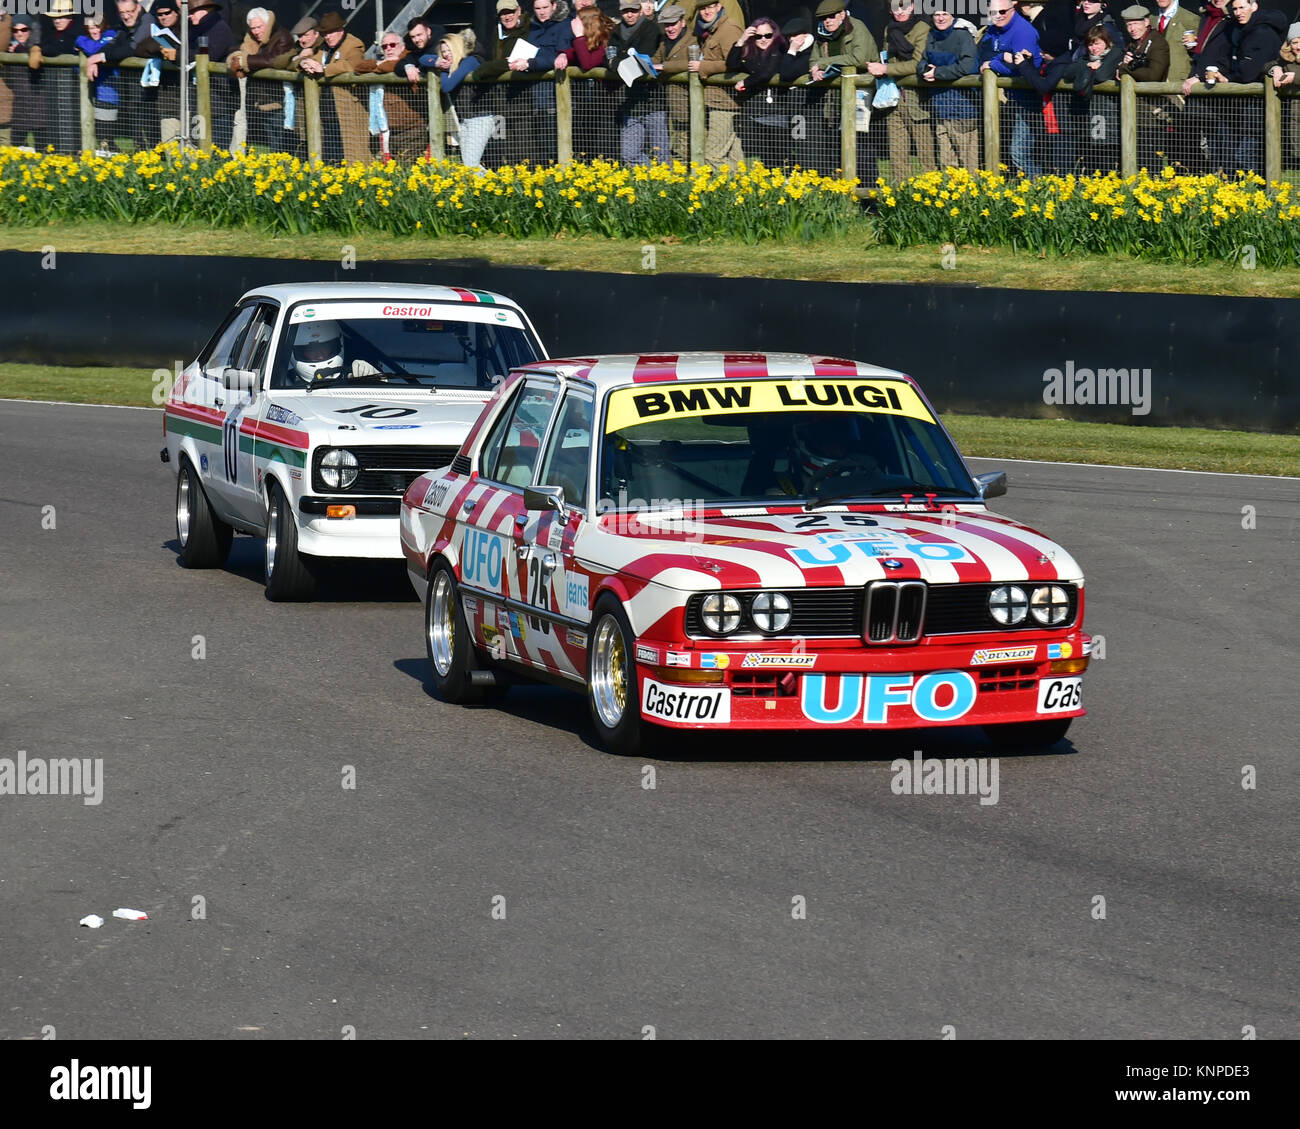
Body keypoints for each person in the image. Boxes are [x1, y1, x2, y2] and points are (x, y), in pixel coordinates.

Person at [867, 0, 933, 181]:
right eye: (896, 7)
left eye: (904, 6)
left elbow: (917, 63)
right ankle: (899, 199)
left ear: (912, 6)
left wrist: (886, 69)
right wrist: (881, 67)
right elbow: (888, 57)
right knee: (897, 155)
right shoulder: (890, 29)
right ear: (890, 9)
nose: (900, 11)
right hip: (893, 97)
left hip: (917, 100)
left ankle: (933, 197)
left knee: (926, 154)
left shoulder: (922, 27)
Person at [978, 0, 1042, 177]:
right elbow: (984, 53)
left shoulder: (1023, 32)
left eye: (1002, 11)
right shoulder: (992, 29)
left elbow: (1024, 68)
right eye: (993, 12)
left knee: (1019, 153)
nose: (997, 16)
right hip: (1009, 99)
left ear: (1013, 10)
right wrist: (1000, 58)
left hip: (1029, 100)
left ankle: (1041, 188)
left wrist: (993, 64)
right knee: (1004, 149)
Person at [299, 11, 369, 163]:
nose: (328, 36)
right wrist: (305, 63)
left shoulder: (353, 44)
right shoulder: (324, 47)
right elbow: (311, 60)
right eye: (325, 33)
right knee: (329, 154)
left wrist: (324, 69)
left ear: (341, 30)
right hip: (325, 110)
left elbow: (353, 65)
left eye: (331, 32)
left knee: (352, 154)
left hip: (347, 110)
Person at [1224, 0, 1286, 168]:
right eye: (1235, 9)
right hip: (1252, 103)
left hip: (1261, 101)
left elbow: (1249, 71)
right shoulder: (1242, 29)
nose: (1238, 12)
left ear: (1254, 6)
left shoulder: (1261, 32)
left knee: (1247, 153)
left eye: (1242, 7)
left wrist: (1228, 78)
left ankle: (1259, 189)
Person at [918, 2, 978, 174]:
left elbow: (967, 66)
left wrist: (938, 73)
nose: (940, 18)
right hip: (940, 109)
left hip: (963, 111)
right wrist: (924, 70)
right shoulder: (932, 35)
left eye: (945, 14)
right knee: (947, 163)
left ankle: (972, 199)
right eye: (937, 14)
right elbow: (923, 61)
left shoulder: (963, 36)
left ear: (953, 16)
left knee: (968, 164)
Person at [475, 0, 536, 165]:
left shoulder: (529, 29)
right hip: (499, 102)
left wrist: (502, 65)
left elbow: (521, 60)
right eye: (503, 13)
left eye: (510, 12)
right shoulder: (496, 32)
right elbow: (485, 68)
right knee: (502, 145)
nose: (507, 16)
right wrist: (504, 64)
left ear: (518, 11)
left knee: (524, 148)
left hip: (523, 99)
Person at [227, 7, 294, 153]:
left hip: (280, 100)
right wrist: (235, 60)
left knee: (283, 142)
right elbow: (241, 51)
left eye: (259, 27)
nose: (256, 31)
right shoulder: (251, 39)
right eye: (253, 28)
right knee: (272, 142)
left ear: (268, 23)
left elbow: (272, 60)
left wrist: (244, 62)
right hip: (262, 99)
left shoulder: (282, 37)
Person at [728, 17, 790, 168]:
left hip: (777, 114)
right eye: (758, 36)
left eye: (767, 35)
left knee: (777, 159)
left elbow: (766, 73)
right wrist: (741, 40)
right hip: (755, 114)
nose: (763, 40)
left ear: (774, 35)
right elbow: (731, 64)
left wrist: (746, 82)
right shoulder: (752, 54)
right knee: (760, 160)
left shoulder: (780, 50)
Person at [691, 0, 745, 169]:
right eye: (702, 8)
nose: (707, 11)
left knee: (712, 156)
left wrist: (703, 67)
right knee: (735, 159)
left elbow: (736, 63)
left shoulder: (729, 29)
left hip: (726, 102)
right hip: (716, 100)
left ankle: (730, 184)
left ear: (719, 7)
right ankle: (743, 189)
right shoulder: (711, 30)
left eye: (710, 7)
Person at [611, 0, 666, 164]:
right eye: (625, 11)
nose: (629, 14)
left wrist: (617, 61)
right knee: (629, 154)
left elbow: (645, 56)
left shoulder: (652, 29)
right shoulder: (616, 30)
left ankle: (667, 183)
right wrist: (617, 62)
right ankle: (649, 179)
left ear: (640, 11)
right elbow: (608, 55)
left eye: (633, 11)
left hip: (654, 100)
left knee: (661, 153)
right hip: (629, 101)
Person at [434, 30, 493, 168]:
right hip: (465, 120)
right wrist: (436, 62)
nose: (446, 54)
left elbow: (447, 86)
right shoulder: (455, 66)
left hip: (479, 119)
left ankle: (497, 186)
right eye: (443, 51)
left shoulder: (470, 61)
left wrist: (443, 70)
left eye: (449, 50)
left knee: (471, 164)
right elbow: (423, 59)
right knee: (468, 165)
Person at [369, 31, 429, 162]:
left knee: (408, 171)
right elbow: (359, 67)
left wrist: (381, 64)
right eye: (384, 46)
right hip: (390, 132)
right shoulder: (383, 63)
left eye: (392, 45)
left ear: (402, 47)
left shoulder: (409, 59)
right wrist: (379, 64)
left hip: (412, 130)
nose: (388, 48)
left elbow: (395, 66)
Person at [188, 0, 238, 151]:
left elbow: (210, 56)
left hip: (218, 100)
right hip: (200, 97)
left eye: (192, 12)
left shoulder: (219, 29)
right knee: (198, 145)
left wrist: (178, 55)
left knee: (219, 148)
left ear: (204, 10)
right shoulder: (195, 30)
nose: (190, 16)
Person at [35, 1, 84, 154]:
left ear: (70, 17)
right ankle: (58, 152)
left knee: (70, 122)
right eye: (55, 18)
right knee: (55, 120)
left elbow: (60, 47)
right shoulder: (53, 33)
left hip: (72, 87)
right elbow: (50, 46)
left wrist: (41, 48)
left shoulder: (76, 32)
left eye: (61, 17)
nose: (57, 20)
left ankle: (71, 153)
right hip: (55, 86)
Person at [652, 4, 695, 162]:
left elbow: (693, 62)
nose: (669, 28)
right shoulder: (664, 42)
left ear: (682, 22)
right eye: (666, 25)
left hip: (689, 101)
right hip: (673, 102)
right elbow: (655, 60)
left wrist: (665, 67)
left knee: (687, 143)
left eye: (673, 24)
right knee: (677, 142)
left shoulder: (693, 40)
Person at [284, 321, 383, 386]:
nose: (320, 354)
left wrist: (375, 380)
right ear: (296, 352)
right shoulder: (282, 384)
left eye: (325, 347)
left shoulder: (353, 376)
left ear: (338, 344)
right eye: (311, 350)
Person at [75, 14, 120, 151]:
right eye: (90, 28)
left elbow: (96, 49)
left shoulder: (111, 34)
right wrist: (93, 60)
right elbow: (88, 49)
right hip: (88, 95)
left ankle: (116, 160)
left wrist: (92, 57)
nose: (94, 31)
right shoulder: (84, 39)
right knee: (93, 135)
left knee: (104, 137)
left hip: (108, 94)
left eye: (96, 26)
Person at [7, 19, 48, 149]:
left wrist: (19, 49)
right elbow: (8, 79)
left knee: (43, 150)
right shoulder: (8, 53)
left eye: (23, 30)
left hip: (40, 108)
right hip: (20, 108)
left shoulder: (37, 48)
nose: (19, 34)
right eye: (15, 30)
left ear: (30, 31)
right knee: (16, 150)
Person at [1269, 22, 1300, 166]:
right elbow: (1266, 65)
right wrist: (1275, 69)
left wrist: (1295, 77)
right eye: (1295, 42)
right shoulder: (1286, 61)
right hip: (1294, 115)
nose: (1298, 47)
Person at [1150, 0, 1200, 84]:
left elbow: (1201, 53)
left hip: (1178, 83)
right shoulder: (1150, 18)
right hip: (1152, 83)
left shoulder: (1191, 19)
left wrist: (1195, 46)